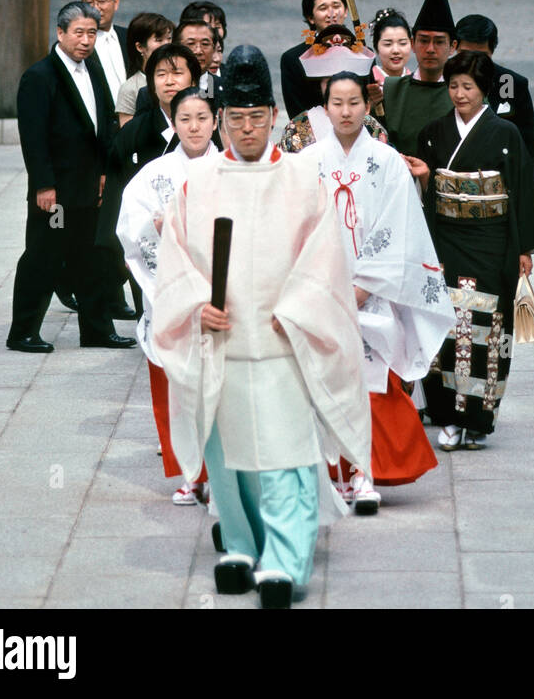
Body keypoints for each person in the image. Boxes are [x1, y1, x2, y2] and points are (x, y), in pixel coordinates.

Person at [152, 45, 371, 609]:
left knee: (284, 454)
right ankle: (242, 545)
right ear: (221, 118)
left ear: (274, 116)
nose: (247, 128)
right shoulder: (196, 183)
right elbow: (173, 259)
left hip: (280, 340)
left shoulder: (303, 179)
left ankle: (285, 557)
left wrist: (296, 308)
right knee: (227, 457)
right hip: (222, 340)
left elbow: (325, 259)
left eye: (257, 117)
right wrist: (198, 304)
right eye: (236, 118)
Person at [315, 72, 453, 512]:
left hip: (374, 292)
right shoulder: (306, 162)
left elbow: (397, 228)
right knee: (325, 382)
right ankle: (334, 473)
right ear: (325, 107)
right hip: (321, 290)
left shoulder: (388, 161)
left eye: (354, 102)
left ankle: (364, 473)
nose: (346, 111)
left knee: (373, 382)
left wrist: (362, 285)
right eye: (337, 103)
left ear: (367, 104)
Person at [406, 50, 534, 450]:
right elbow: (430, 193)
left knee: (488, 328)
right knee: (450, 327)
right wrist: (426, 177)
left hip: (493, 241)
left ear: (483, 89)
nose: (459, 94)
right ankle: (450, 418)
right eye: (453, 86)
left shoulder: (505, 134)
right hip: (448, 239)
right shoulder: (434, 132)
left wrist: (524, 247)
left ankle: (480, 418)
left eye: (467, 86)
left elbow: (521, 190)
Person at [6, 2, 135, 353]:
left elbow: (106, 123)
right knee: (44, 256)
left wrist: (106, 172)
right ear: (60, 33)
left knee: (90, 258)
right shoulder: (39, 76)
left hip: (90, 184)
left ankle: (96, 329)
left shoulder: (92, 68)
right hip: (57, 190)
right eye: (78, 33)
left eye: (91, 33)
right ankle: (23, 332)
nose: (85, 41)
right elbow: (33, 138)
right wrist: (44, 185)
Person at [116, 87, 216, 506]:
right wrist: (157, 227)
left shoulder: (231, 170)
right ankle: (189, 473)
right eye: (185, 119)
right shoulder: (153, 174)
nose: (194, 126)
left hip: (219, 298)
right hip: (170, 297)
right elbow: (130, 228)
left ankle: (223, 475)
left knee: (220, 393)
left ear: (216, 120)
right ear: (173, 123)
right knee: (175, 389)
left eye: (202, 117)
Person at [96, 43, 201, 320]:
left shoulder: (205, 127)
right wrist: (120, 247)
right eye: (160, 74)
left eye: (177, 73)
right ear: (151, 83)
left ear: (193, 79)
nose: (169, 81)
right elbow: (118, 195)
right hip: (149, 239)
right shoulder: (133, 132)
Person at [279, 23, 386, 152]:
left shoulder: (371, 126)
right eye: (330, 80)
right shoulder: (297, 128)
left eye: (345, 78)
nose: (338, 87)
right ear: (318, 84)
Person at [453, 14, 534, 168]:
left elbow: (527, 148)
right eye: (465, 54)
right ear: (454, 47)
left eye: (481, 56)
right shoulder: (443, 79)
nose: (472, 62)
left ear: (492, 52)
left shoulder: (511, 83)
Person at [383, 0, 455, 156]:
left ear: (453, 47)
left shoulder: (463, 92)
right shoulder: (392, 90)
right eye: (423, 41)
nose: (430, 49)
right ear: (413, 44)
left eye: (438, 42)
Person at [279, 0, 348, 119]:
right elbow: (297, 113)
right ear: (311, 18)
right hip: (314, 134)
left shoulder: (362, 53)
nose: (331, 14)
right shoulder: (293, 59)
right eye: (323, 8)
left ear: (345, 11)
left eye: (336, 6)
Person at [79, 0, 130, 108]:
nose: (96, 8)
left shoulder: (129, 37)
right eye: (89, 2)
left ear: (116, 2)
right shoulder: (75, 45)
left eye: (101, 1)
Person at [115, 12, 174, 125]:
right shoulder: (130, 88)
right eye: (159, 40)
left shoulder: (180, 77)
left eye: (169, 39)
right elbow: (128, 135)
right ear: (140, 47)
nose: (166, 45)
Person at [366, 8, 413, 115]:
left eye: (402, 43)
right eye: (388, 44)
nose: (396, 50)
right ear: (376, 46)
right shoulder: (370, 82)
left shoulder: (416, 81)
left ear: (411, 44)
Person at [174, 17, 224, 111]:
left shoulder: (224, 88)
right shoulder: (159, 90)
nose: (198, 51)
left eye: (205, 44)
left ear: (214, 49)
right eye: (190, 44)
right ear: (176, 48)